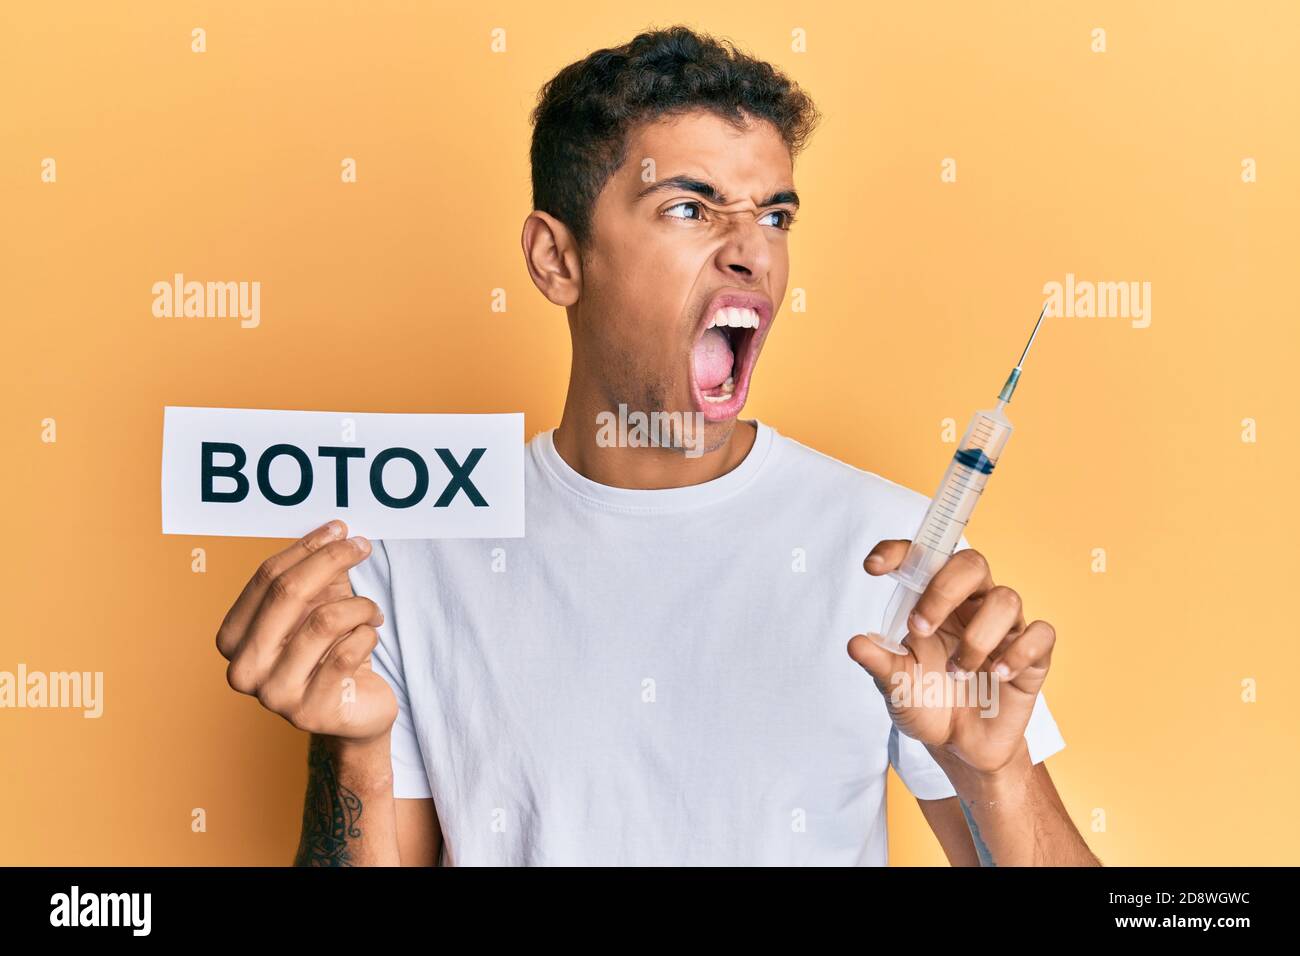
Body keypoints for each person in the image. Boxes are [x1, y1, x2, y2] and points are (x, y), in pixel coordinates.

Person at [215, 26, 1100, 866]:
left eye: (776, 217)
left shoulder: (896, 558)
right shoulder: (413, 548)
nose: (753, 252)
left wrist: (997, 772)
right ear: (558, 260)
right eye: (690, 208)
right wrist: (355, 751)